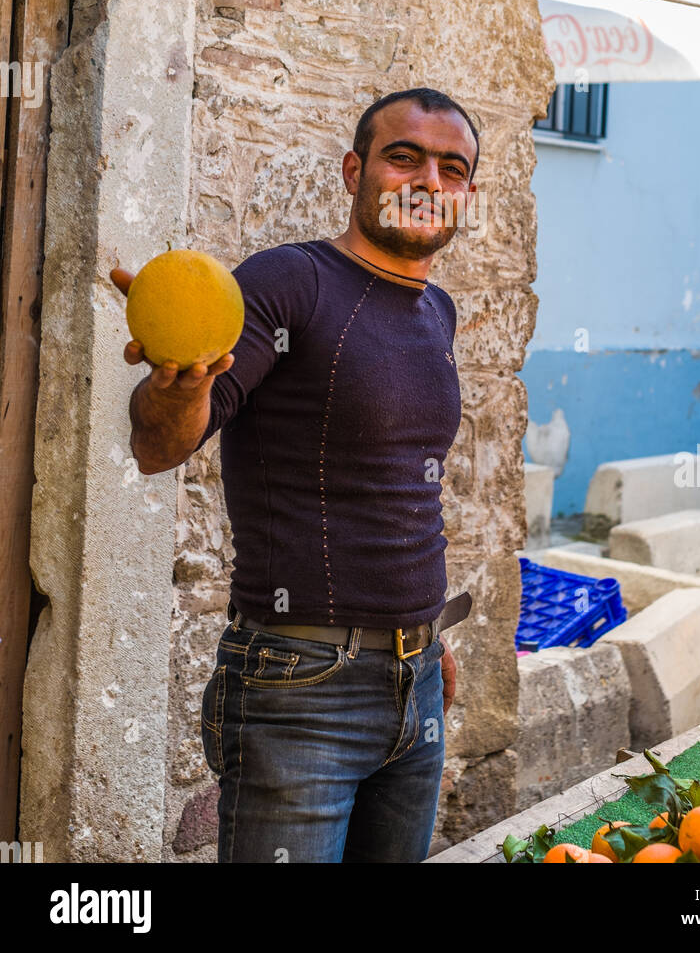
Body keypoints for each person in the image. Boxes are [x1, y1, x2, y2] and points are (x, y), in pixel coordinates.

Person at [111, 87, 478, 863]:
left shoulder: (435, 308)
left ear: (466, 194)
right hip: (299, 686)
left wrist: (422, 629)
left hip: (417, 683)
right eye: (403, 156)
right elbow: (161, 444)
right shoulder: (290, 282)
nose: (427, 181)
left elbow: (404, 490)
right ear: (354, 171)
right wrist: (179, 384)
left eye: (452, 168)